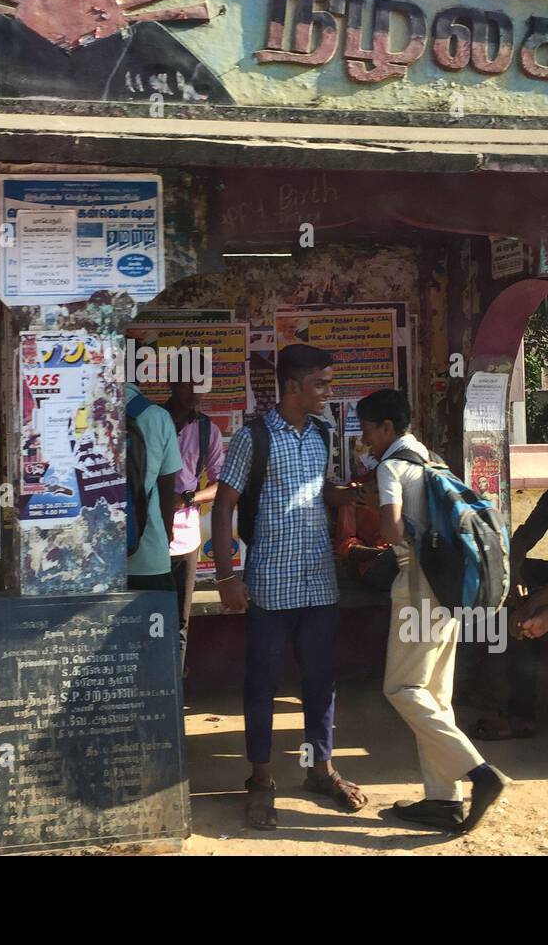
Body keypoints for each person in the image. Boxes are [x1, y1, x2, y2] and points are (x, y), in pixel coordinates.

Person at [212, 344, 369, 830]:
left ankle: (320, 769)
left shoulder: (323, 433)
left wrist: (349, 493)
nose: (328, 393)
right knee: (260, 684)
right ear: (294, 387)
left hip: (319, 583)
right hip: (269, 585)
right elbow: (223, 507)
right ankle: (260, 780)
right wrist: (225, 576)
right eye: (321, 384)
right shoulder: (252, 438)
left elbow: (316, 490)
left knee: (321, 682)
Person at [357, 388, 508, 833]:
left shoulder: (391, 466)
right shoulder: (430, 458)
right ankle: (443, 799)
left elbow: (391, 531)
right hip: (448, 588)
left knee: (401, 688)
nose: (365, 440)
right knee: (435, 696)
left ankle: (479, 773)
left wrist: (374, 504)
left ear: (387, 427)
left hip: (418, 586)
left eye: (368, 429)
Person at [472, 433, 548, 741]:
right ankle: (513, 708)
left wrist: (535, 601)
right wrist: (515, 577)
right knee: (510, 587)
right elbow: (522, 539)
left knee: (535, 611)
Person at [165, 380, 223, 675]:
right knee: (147, 614)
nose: (194, 394)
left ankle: (175, 689)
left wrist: (189, 497)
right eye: (187, 385)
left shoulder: (205, 431)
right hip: (150, 539)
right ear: (172, 384)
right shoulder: (152, 422)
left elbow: (220, 484)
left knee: (180, 620)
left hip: (186, 538)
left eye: (199, 386)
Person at [125, 379, 182, 592]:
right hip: (149, 557)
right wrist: (166, 536)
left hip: (95, 560)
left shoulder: (84, 411)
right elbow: (167, 490)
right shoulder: (158, 417)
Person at [333, 459, 398, 594]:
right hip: (374, 565)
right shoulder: (357, 491)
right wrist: (379, 554)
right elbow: (345, 544)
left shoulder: (407, 488)